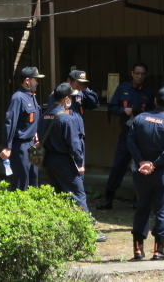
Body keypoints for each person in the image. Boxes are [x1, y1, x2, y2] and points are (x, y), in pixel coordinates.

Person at [38, 82, 109, 242]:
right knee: (78, 194)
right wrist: (80, 163)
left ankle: (60, 231)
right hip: (65, 160)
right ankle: (87, 232)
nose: (71, 99)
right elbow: (74, 145)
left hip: (48, 160)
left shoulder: (44, 116)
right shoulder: (66, 119)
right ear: (65, 99)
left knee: (59, 195)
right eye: (70, 97)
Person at [127, 86, 164, 261]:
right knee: (163, 210)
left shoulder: (139, 118)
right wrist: (154, 164)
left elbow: (131, 141)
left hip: (140, 172)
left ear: (155, 101)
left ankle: (138, 249)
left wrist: (141, 162)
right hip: (162, 173)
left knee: (141, 207)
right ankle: (159, 251)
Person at [96, 62, 154, 210]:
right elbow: (111, 108)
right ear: (132, 73)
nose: (140, 76)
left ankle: (138, 199)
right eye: (137, 73)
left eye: (142, 74)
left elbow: (155, 113)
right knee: (119, 165)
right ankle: (108, 198)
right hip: (127, 133)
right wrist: (124, 110)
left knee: (141, 166)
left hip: (143, 135)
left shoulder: (149, 92)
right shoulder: (122, 89)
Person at [0, 66, 44, 191]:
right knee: (21, 181)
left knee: (33, 179)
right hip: (21, 145)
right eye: (35, 80)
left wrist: (36, 134)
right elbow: (10, 123)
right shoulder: (18, 98)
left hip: (32, 144)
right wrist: (8, 147)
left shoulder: (31, 96)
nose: (37, 83)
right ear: (27, 81)